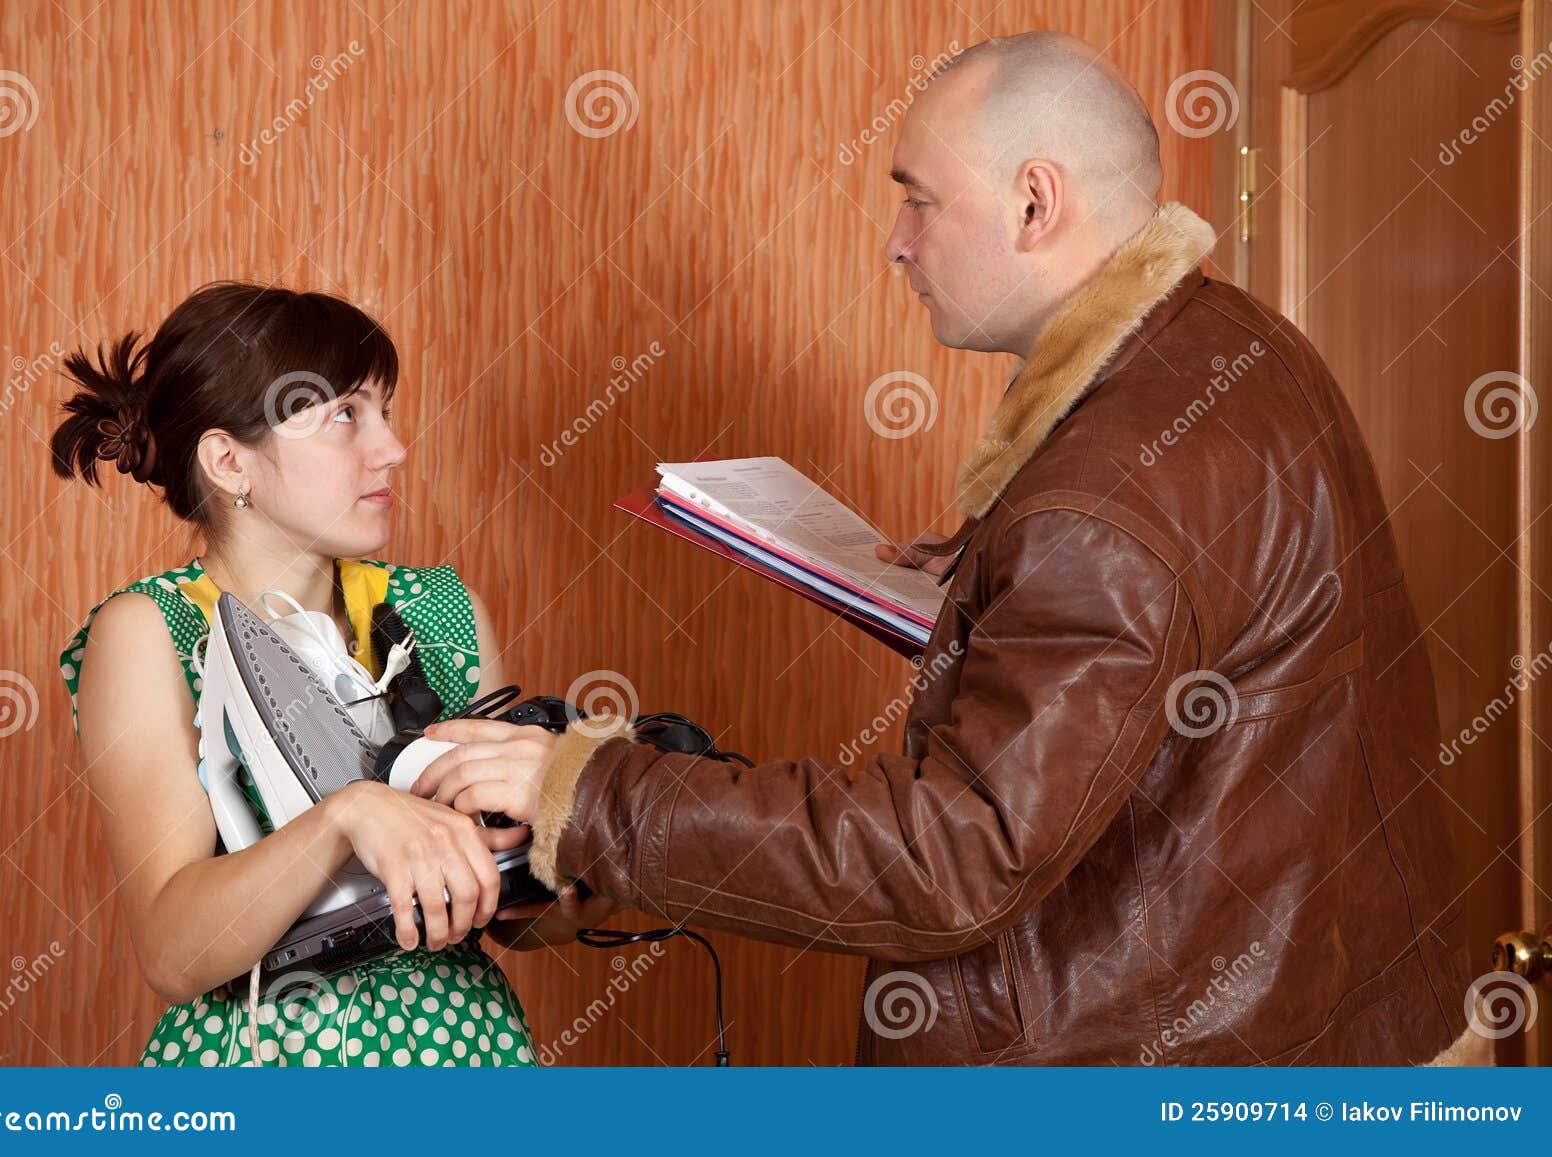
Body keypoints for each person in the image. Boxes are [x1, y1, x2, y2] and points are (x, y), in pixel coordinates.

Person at [410, 33, 1484, 1065]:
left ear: (1032, 202)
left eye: (917, 196)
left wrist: (588, 790)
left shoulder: (1102, 502)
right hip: (1321, 1022)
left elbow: (956, 853)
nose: (895, 241)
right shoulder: (1234, 344)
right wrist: (992, 578)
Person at [52, 282, 607, 1067]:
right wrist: (347, 816)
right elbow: (172, 951)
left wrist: (595, 852)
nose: (391, 448)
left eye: (384, 411)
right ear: (228, 460)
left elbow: (514, 915)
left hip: (463, 1053)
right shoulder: (150, 632)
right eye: (347, 414)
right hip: (265, 1059)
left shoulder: (441, 611)